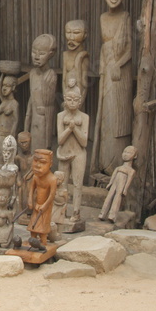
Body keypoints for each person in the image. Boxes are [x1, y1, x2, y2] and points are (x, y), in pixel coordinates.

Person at [95, 0, 134, 174]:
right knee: (106, 117)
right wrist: (103, 68)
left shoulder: (125, 17)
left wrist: (118, 65)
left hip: (121, 76)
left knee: (119, 117)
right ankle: (104, 162)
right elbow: (103, 48)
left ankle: (116, 163)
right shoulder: (102, 18)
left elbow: (130, 49)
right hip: (107, 73)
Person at [57, 80, 89, 222]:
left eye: (75, 100)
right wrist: (69, 128)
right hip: (64, 153)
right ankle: (61, 211)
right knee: (62, 185)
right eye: (69, 99)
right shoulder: (60, 116)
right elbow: (60, 140)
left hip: (78, 154)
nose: (72, 103)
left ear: (80, 101)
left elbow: (84, 141)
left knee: (77, 184)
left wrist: (74, 128)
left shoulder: (84, 117)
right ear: (65, 99)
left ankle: (76, 212)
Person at [23, 34, 57, 151]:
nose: (36, 57)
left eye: (41, 53)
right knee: (30, 148)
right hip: (33, 118)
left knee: (42, 150)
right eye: (34, 52)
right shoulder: (32, 73)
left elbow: (50, 105)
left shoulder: (50, 75)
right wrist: (26, 124)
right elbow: (31, 99)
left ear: (51, 54)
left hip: (43, 119)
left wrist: (48, 137)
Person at [27, 150, 57, 251]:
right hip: (36, 205)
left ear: (50, 164)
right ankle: (32, 243)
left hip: (45, 208)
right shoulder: (36, 177)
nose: (38, 165)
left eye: (43, 162)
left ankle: (43, 244)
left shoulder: (52, 179)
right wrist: (30, 200)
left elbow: (52, 196)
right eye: (35, 161)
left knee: (43, 230)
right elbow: (31, 189)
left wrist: (45, 205)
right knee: (33, 227)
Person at [99, 146, 137, 222]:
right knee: (109, 197)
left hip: (121, 185)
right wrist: (110, 183)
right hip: (114, 184)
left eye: (129, 153)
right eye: (124, 152)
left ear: (135, 156)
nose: (125, 154)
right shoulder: (118, 168)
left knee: (117, 198)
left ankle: (112, 215)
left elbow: (129, 180)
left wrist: (125, 189)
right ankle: (102, 214)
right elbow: (113, 176)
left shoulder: (131, 171)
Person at [62, 20, 90, 103]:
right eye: (68, 32)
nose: (71, 37)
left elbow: (83, 84)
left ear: (85, 35)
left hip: (78, 99)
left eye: (76, 33)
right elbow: (63, 80)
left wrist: (79, 102)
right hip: (67, 96)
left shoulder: (84, 56)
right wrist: (65, 99)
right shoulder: (65, 55)